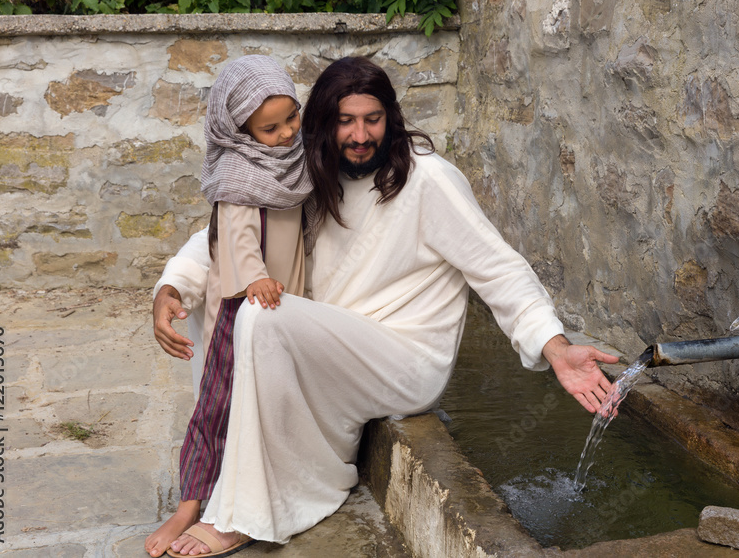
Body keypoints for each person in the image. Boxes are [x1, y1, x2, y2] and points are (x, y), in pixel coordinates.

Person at [151, 57, 618, 556]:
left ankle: (244, 514)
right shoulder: (310, 169)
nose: (359, 135)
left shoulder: (428, 180)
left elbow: (499, 269)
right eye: (345, 121)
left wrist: (556, 348)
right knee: (235, 302)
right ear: (324, 124)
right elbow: (227, 232)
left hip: (404, 358)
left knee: (265, 315)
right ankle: (249, 471)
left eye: (372, 119)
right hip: (334, 343)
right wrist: (174, 288)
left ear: (390, 118)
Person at [145, 55, 312, 558]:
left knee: (267, 405)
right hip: (243, 307)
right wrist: (256, 278)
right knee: (218, 405)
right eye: (270, 128)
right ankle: (191, 503)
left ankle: (247, 494)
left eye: (291, 118)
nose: (285, 134)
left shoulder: (293, 160)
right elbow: (238, 238)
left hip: (282, 305)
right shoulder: (239, 172)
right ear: (238, 130)